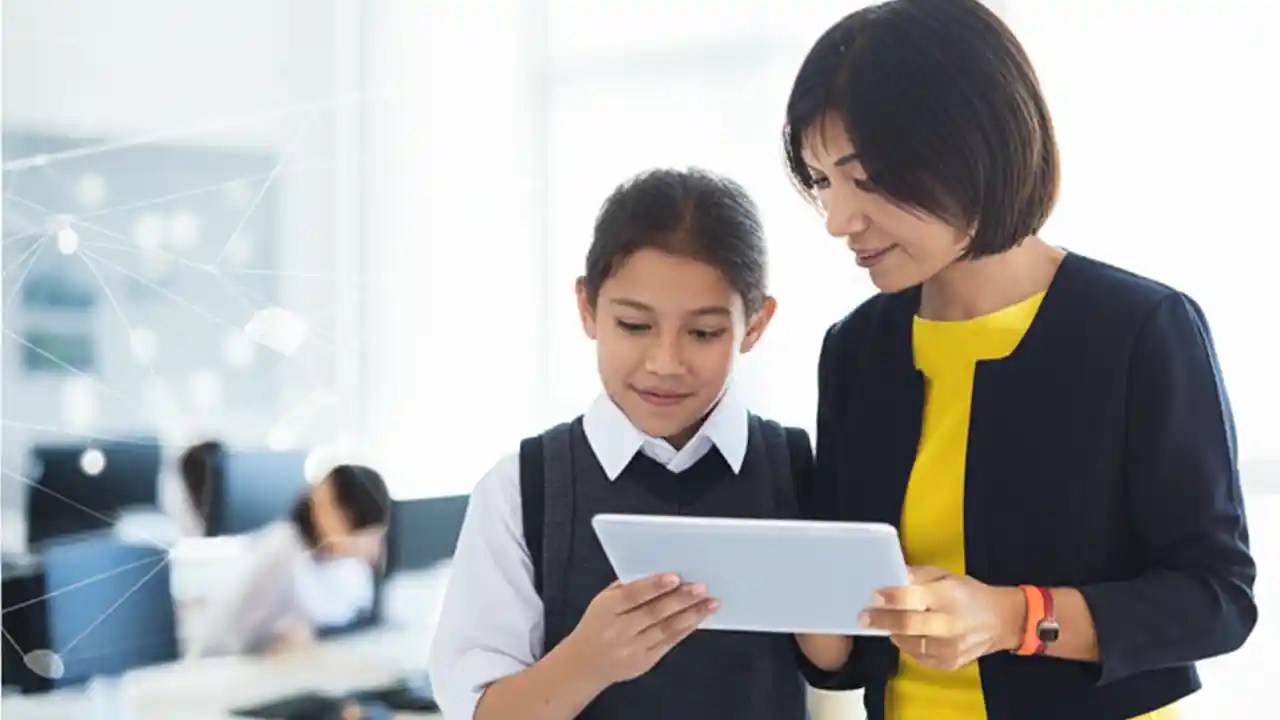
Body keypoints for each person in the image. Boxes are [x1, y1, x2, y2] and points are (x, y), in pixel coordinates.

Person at [784, 1, 1257, 718]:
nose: (838, 220)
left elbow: (1215, 599)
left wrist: (1013, 618)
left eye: (865, 178)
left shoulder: (1138, 329)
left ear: (971, 144)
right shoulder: (856, 349)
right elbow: (845, 642)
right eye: (821, 182)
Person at [428, 168, 811, 720]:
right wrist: (587, 661)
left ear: (755, 325)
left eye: (703, 333)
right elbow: (478, 707)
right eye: (634, 325)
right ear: (587, 308)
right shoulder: (522, 489)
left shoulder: (797, 471)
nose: (665, 363)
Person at [191, 463, 389, 657]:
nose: (370, 548)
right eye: (363, 536)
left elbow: (354, 619)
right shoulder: (279, 554)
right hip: (235, 673)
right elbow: (223, 644)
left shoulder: (340, 563)